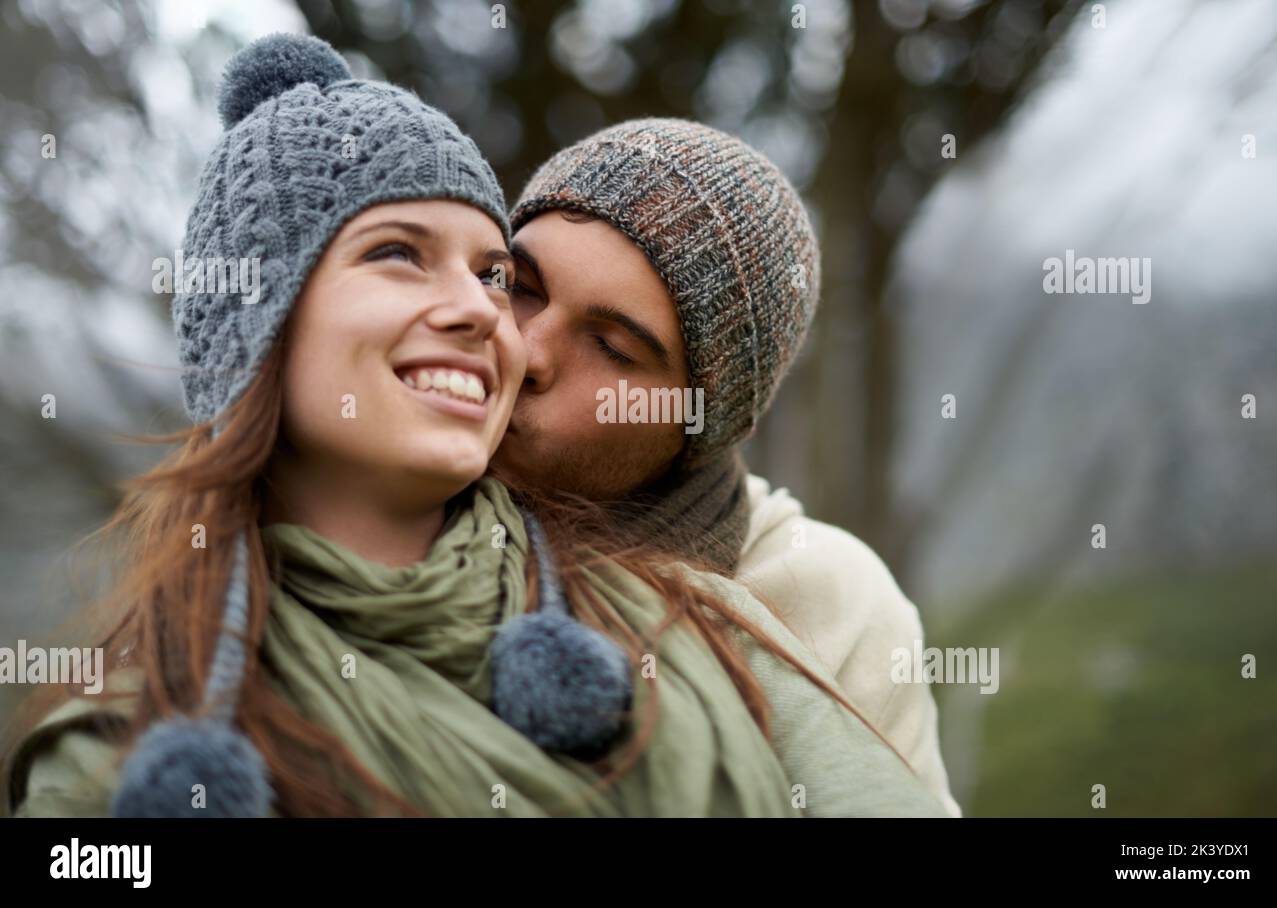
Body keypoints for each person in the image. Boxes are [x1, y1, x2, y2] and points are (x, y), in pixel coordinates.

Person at [0, 34, 946, 819]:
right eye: (518, 282)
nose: (509, 337)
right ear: (264, 322)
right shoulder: (122, 748)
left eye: (614, 349)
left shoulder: (736, 621)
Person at [492, 118, 962, 816]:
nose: (528, 351)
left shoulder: (828, 601)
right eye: (521, 286)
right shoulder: (357, 491)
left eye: (612, 347)